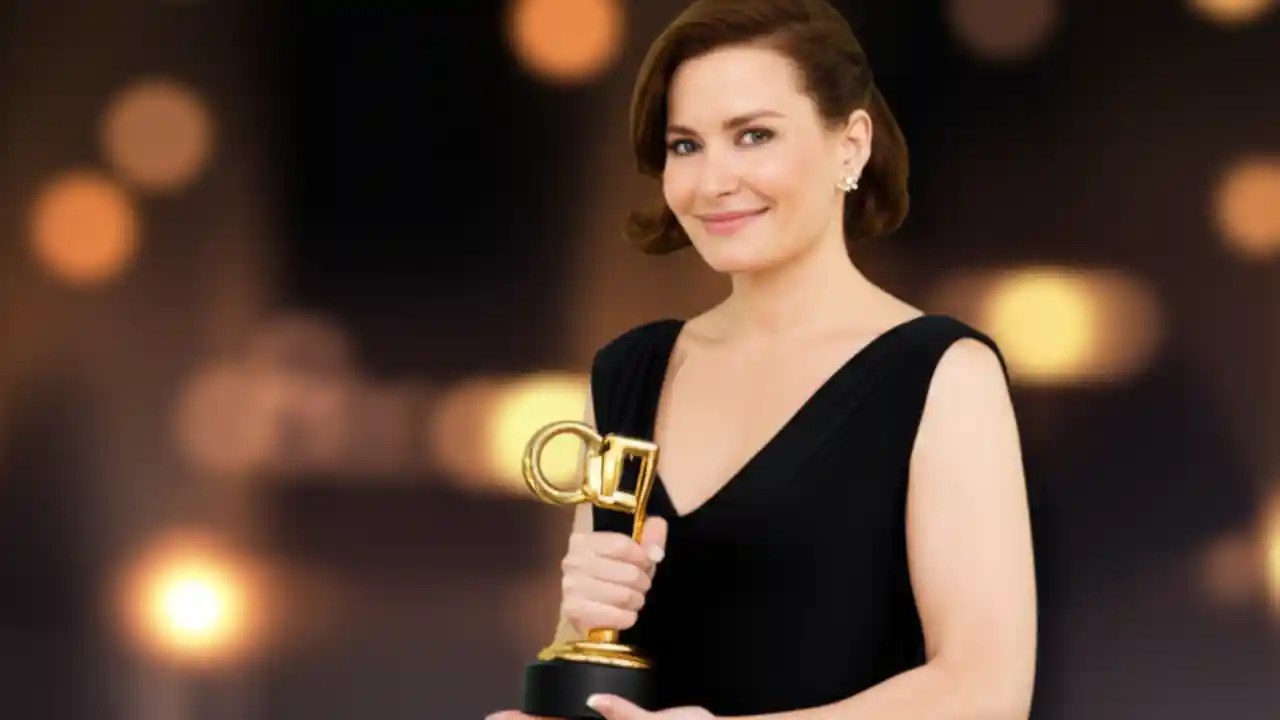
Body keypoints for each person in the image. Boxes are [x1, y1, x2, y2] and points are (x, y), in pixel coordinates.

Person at [490, 0, 1037, 717]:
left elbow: (987, 692)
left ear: (851, 146)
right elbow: (593, 664)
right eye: (686, 145)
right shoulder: (628, 373)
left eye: (753, 136)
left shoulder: (944, 374)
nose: (713, 180)